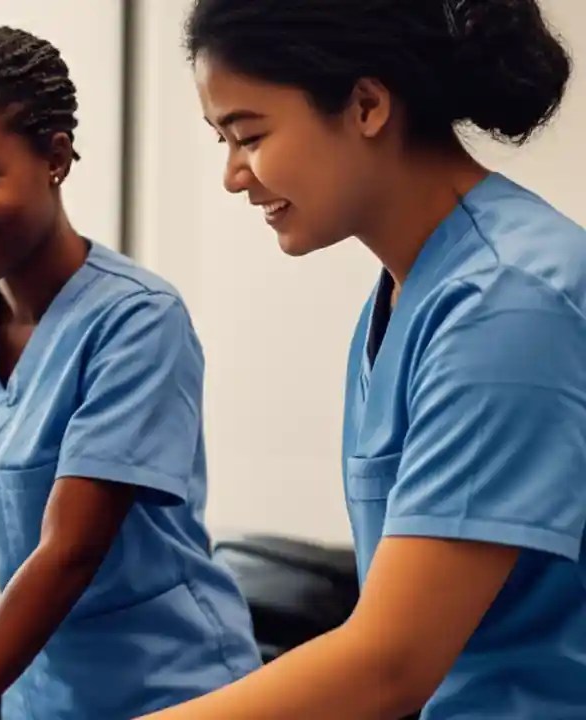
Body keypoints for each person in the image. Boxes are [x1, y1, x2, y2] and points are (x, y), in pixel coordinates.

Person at [143, 1, 585, 718]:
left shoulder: (508, 303)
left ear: (367, 104)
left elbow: (390, 664)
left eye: (247, 135)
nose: (233, 175)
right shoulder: (412, 293)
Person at [0, 24, 261, 720]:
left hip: (174, 691)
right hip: (43, 698)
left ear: (55, 157)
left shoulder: (137, 319)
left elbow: (69, 550)